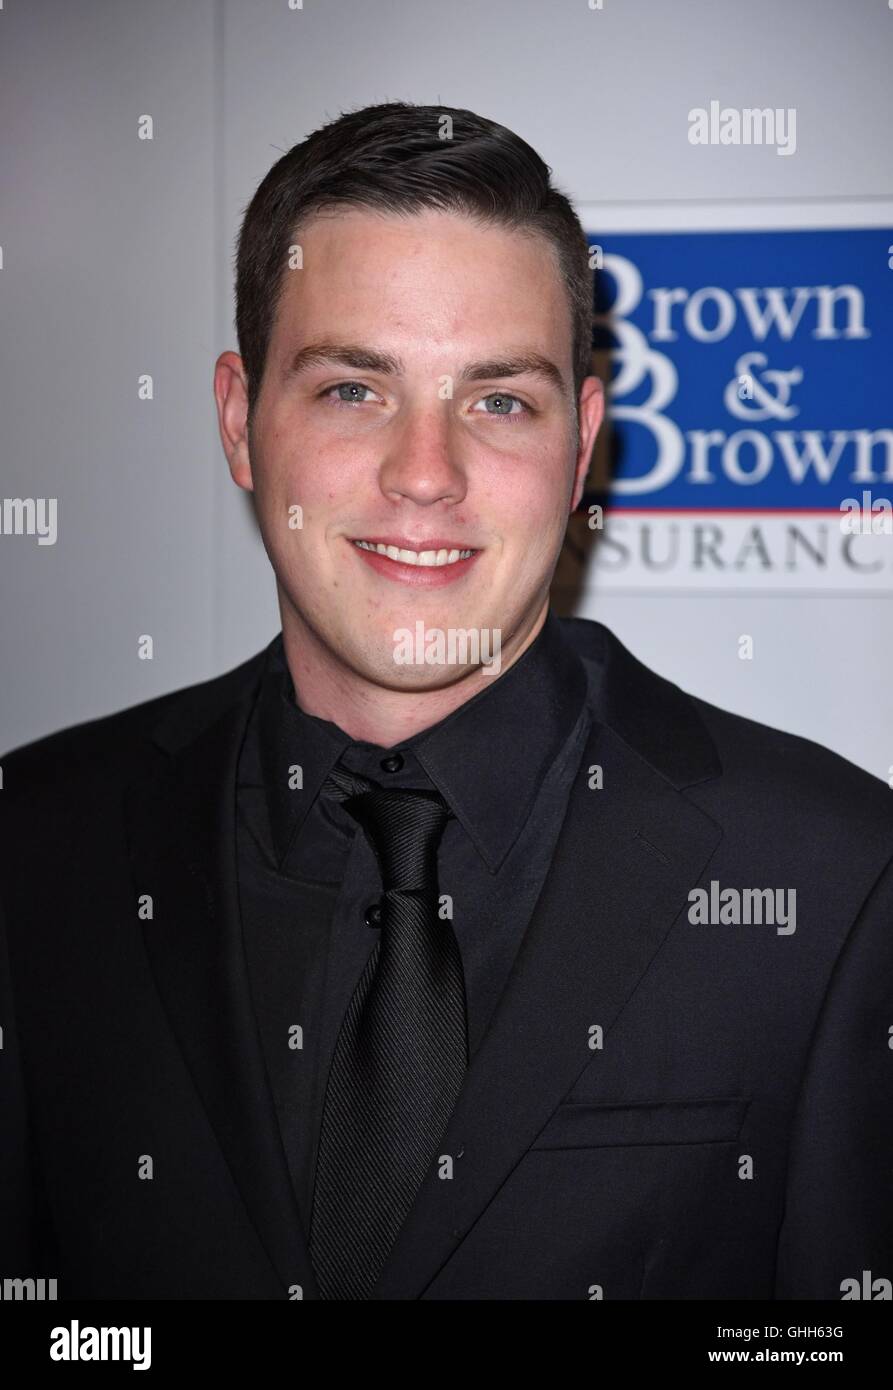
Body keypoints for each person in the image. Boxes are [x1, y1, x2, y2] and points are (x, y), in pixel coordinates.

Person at [1, 101, 891, 1302]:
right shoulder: (37, 842)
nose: (425, 472)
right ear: (237, 421)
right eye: (352, 390)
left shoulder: (833, 877)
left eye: (498, 400)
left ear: (579, 448)